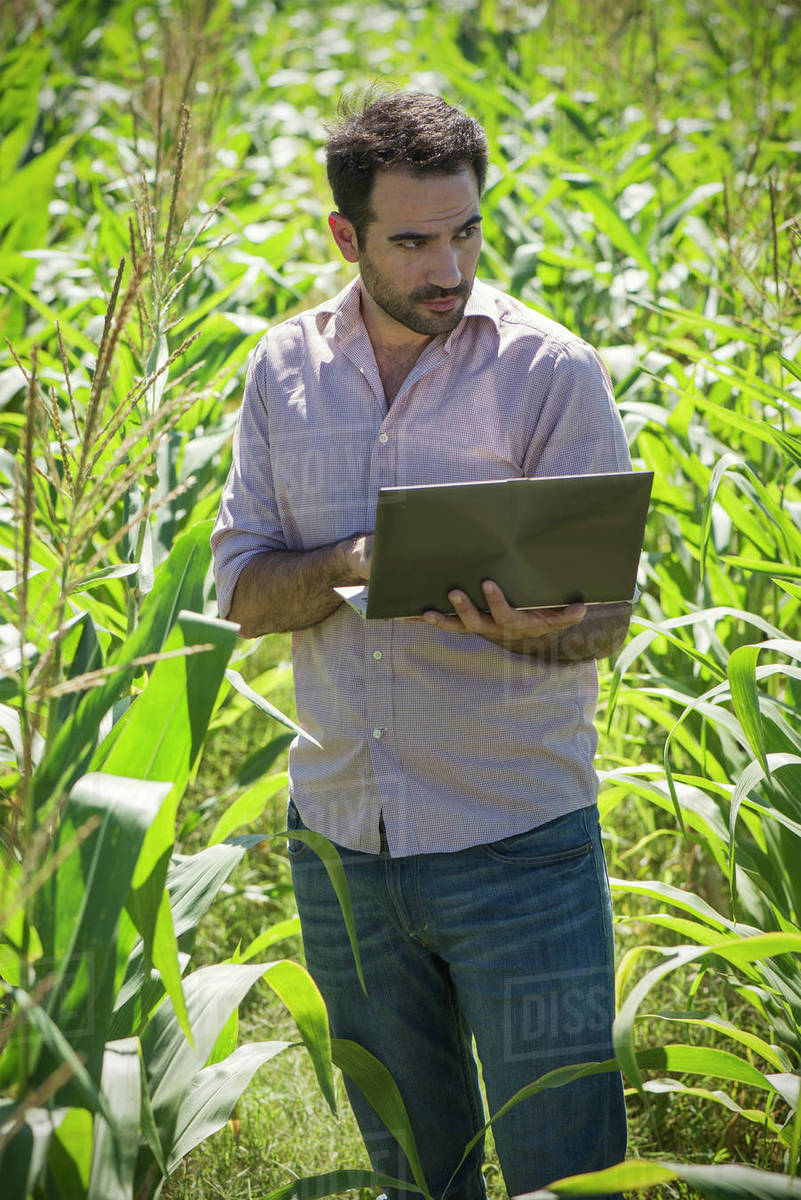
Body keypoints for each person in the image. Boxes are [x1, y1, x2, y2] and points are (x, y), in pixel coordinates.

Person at [212, 91, 631, 1200]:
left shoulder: (551, 371)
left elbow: (605, 620)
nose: (449, 267)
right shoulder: (282, 374)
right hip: (345, 846)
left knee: (567, 1172)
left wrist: (529, 627)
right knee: (418, 1177)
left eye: (467, 231)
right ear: (345, 236)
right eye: (413, 241)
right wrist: (349, 562)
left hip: (520, 847)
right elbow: (242, 594)